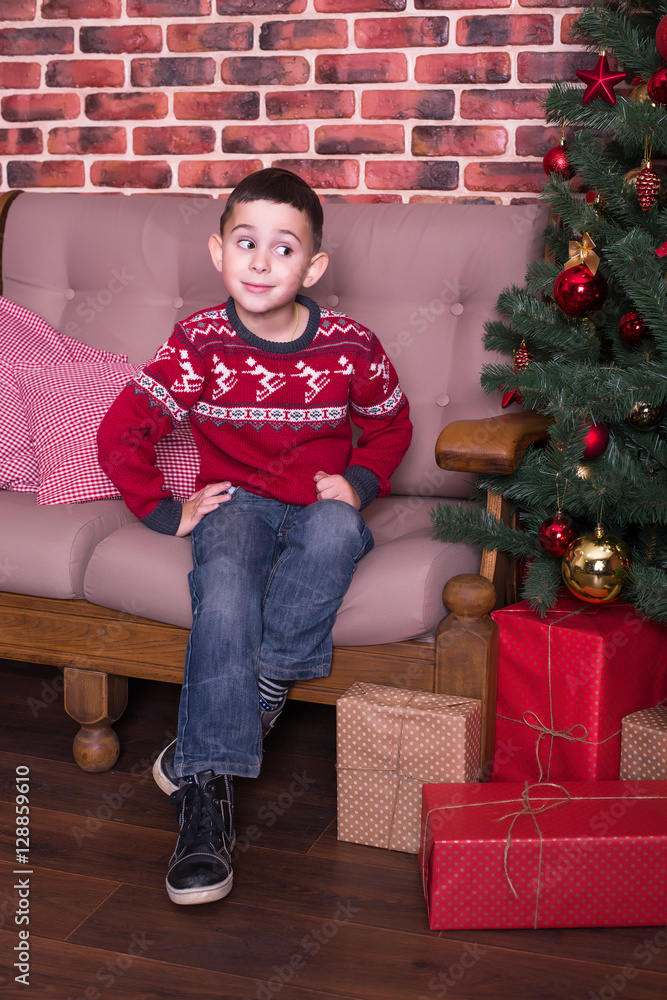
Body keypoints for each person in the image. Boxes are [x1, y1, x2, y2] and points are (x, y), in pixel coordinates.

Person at [97, 167, 412, 906]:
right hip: (235, 504)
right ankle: (204, 803)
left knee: (338, 530)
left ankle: (257, 693)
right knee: (227, 596)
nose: (263, 263)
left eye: (284, 248)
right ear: (218, 253)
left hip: (313, 502)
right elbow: (122, 431)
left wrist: (360, 483)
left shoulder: (347, 345)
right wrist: (162, 510)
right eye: (246, 244)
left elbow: (391, 423)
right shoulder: (198, 341)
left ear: (314, 266)